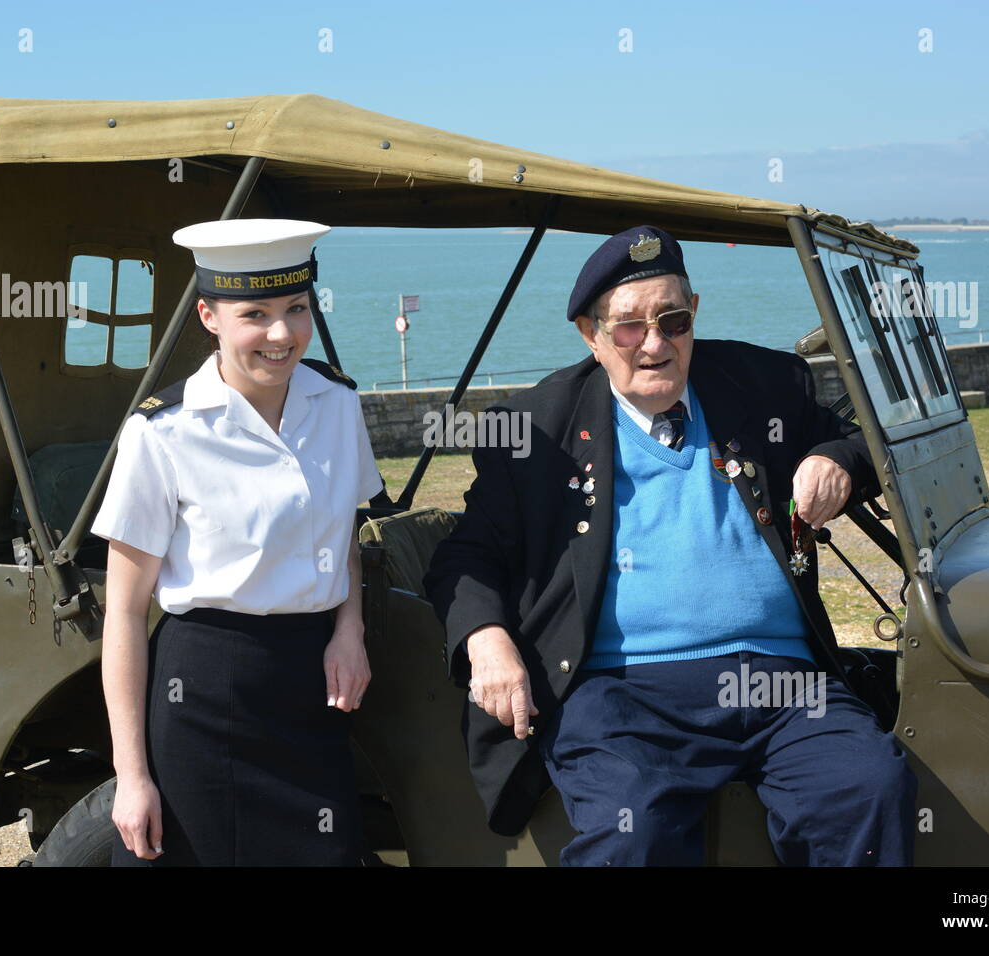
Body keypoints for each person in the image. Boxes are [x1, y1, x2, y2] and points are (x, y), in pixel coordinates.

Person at [423, 225, 918, 866]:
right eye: (628, 326)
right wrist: (486, 640)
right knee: (634, 830)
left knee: (869, 786)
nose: (654, 344)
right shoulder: (534, 429)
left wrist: (838, 458)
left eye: (673, 321)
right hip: (621, 692)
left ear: (694, 317)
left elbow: (862, 439)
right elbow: (468, 556)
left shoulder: (763, 385)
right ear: (589, 334)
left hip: (779, 681)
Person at [95, 218, 384, 866]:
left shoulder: (337, 404)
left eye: (296, 309)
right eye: (255, 313)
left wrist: (349, 629)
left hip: (312, 690)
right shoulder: (160, 432)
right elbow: (123, 611)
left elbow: (344, 539)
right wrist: (132, 776)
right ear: (209, 315)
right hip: (204, 694)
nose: (281, 334)